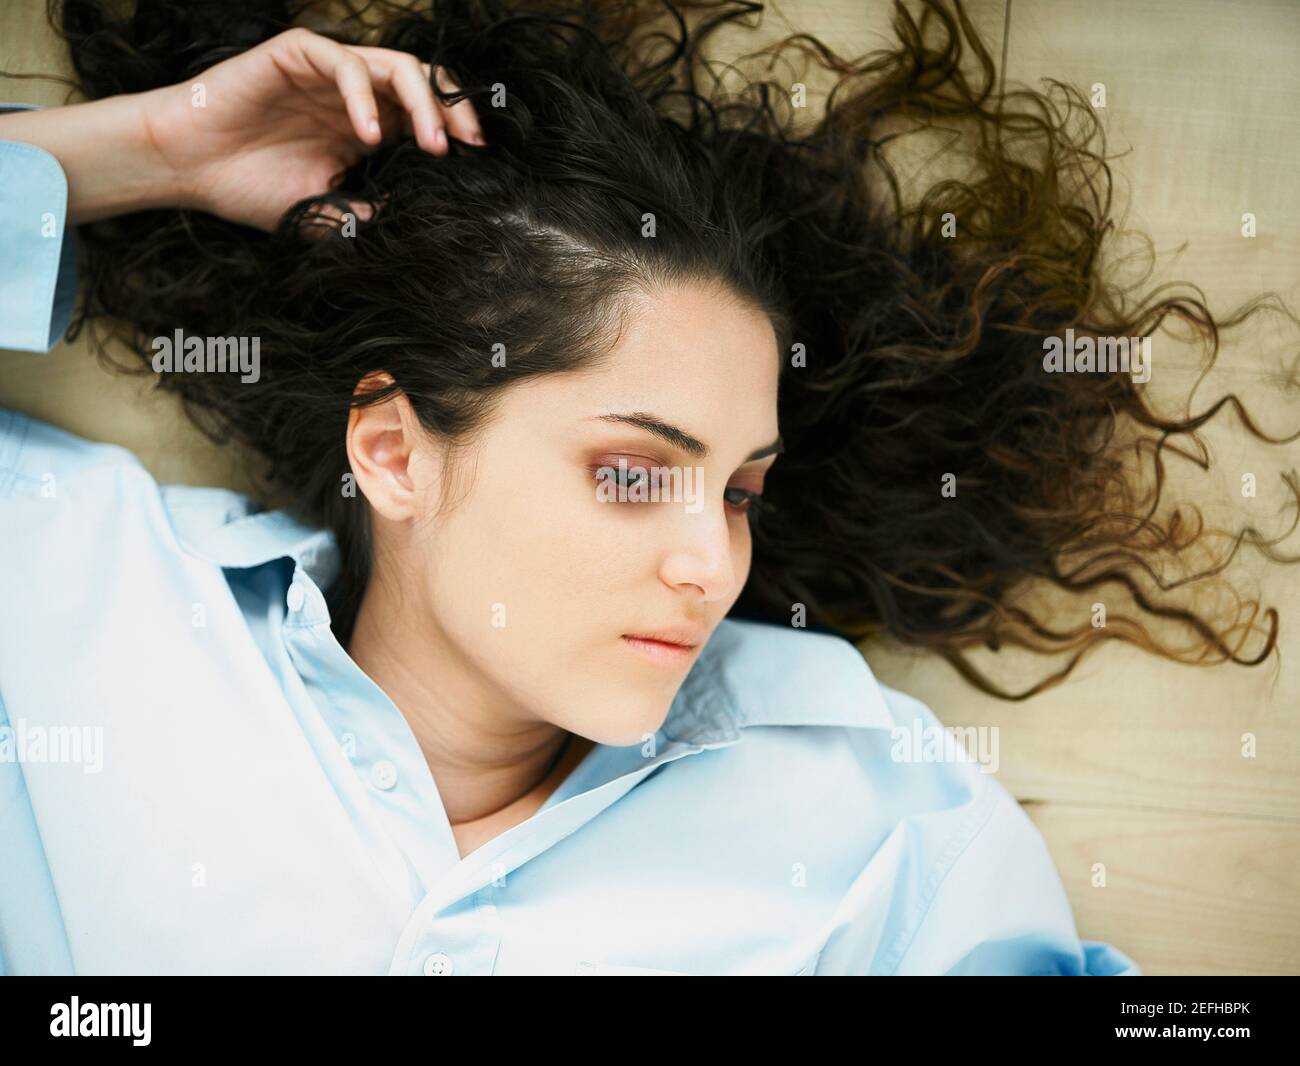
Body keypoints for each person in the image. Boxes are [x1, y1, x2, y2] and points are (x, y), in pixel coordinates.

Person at [10, 0, 1252, 976]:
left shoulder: (874, 806)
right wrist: (150, 149)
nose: (710, 567)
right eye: (628, 471)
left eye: (738, 492)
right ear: (392, 452)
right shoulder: (83, 591)